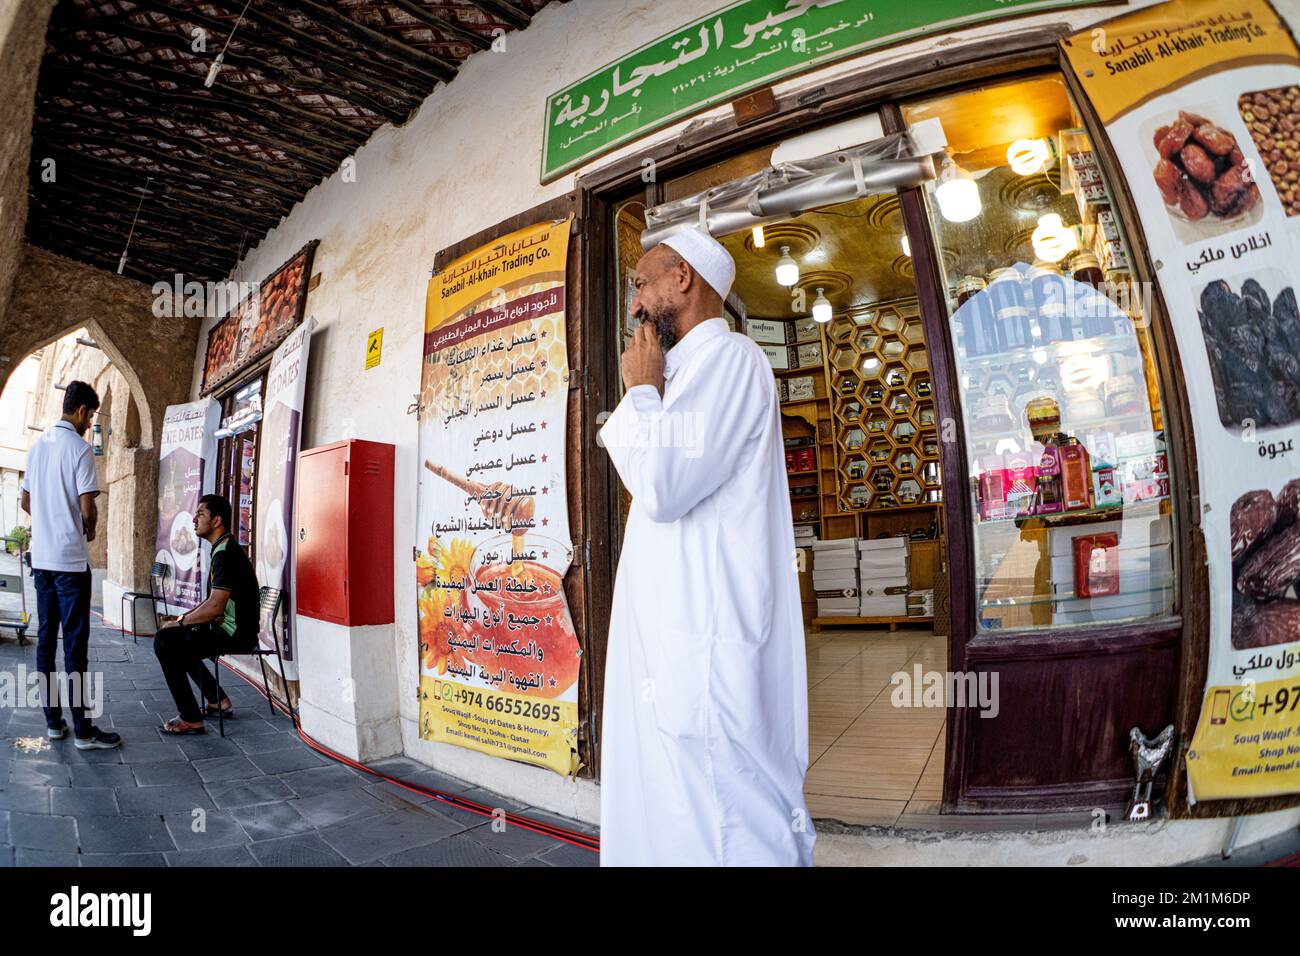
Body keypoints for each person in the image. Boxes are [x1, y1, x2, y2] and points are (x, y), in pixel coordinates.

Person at [597, 227, 816, 866]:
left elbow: (664, 486)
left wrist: (640, 392)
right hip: (674, 646)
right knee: (675, 808)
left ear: (683, 278)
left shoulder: (732, 361)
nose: (634, 306)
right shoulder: (679, 374)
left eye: (641, 285)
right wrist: (648, 392)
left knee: (730, 812)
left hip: (707, 648)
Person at [20, 380, 120, 749]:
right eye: (90, 415)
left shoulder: (37, 447)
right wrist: (87, 528)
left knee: (46, 641)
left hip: (42, 560)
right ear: (81, 412)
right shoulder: (79, 449)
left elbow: (27, 501)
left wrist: (47, 520)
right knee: (75, 646)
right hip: (71, 563)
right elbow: (88, 506)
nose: (89, 420)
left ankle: (53, 722)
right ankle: (84, 731)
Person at [154, 493, 259, 735]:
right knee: (180, 639)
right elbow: (212, 602)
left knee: (165, 642)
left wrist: (179, 623)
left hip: (236, 634)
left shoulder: (225, 554)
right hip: (229, 628)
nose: (194, 518)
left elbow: (214, 608)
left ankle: (191, 718)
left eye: (200, 514)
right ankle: (217, 701)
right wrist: (181, 620)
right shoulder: (223, 548)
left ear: (216, 521)